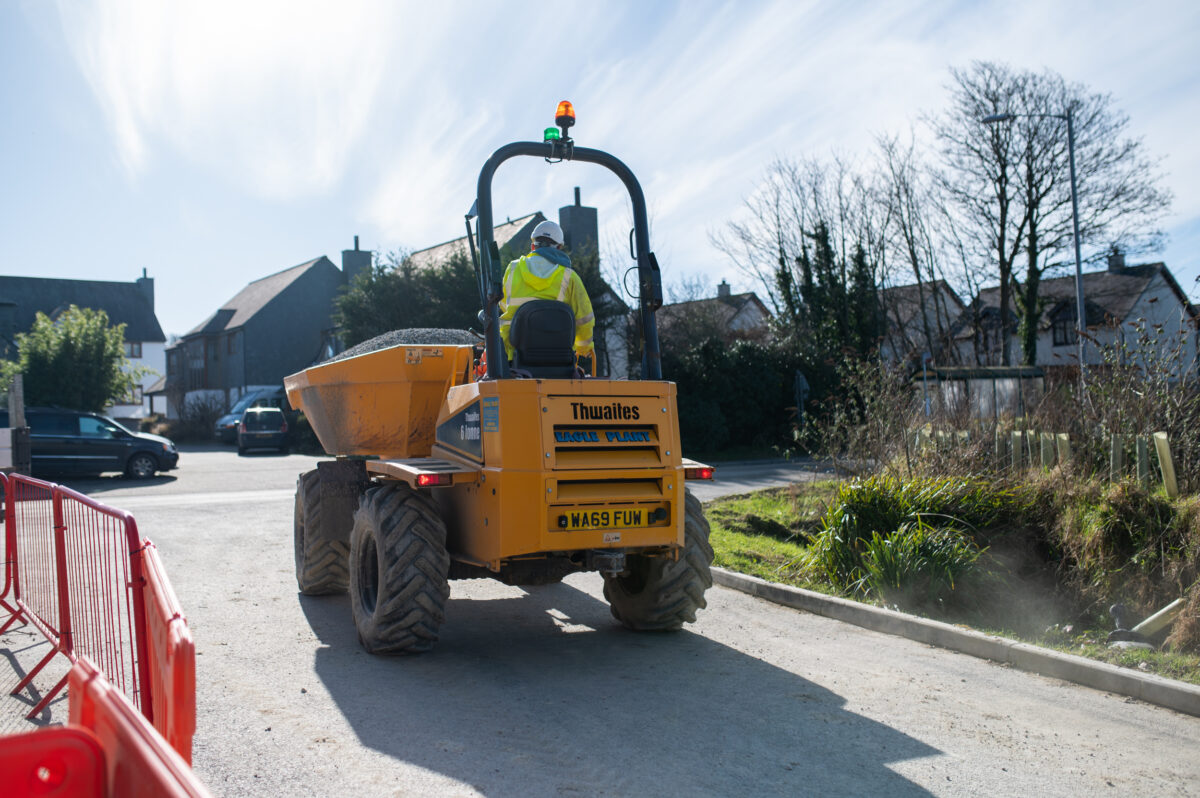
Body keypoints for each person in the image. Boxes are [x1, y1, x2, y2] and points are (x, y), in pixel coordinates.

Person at [499, 219, 595, 360]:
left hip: (513, 358)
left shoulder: (513, 269)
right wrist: (583, 349)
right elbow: (584, 319)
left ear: (533, 246)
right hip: (559, 360)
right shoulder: (570, 277)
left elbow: (503, 305)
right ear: (559, 248)